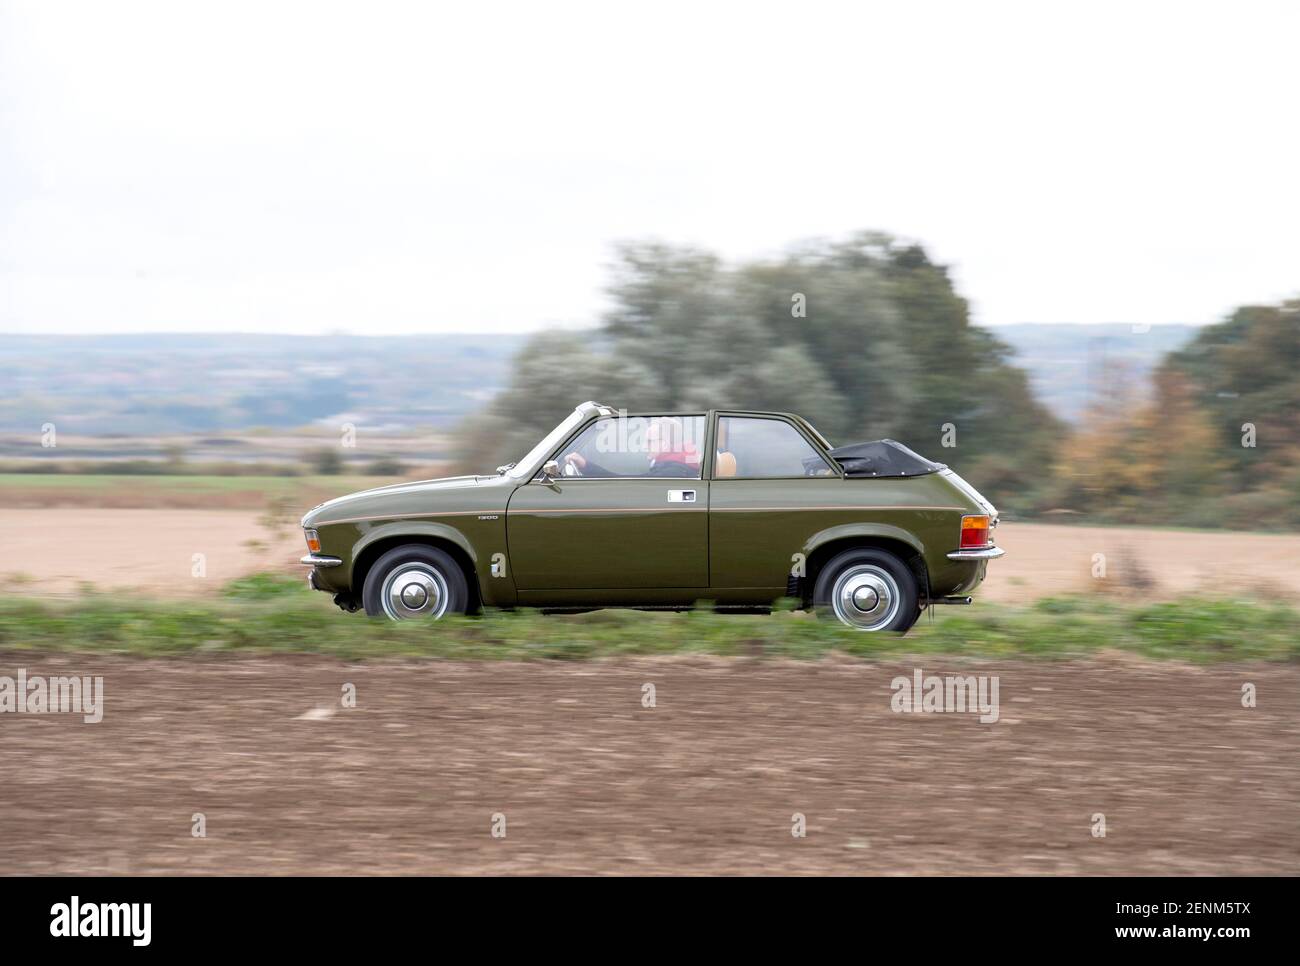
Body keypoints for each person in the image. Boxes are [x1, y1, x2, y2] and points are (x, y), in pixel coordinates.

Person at [562, 416, 700, 478]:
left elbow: (626, 487)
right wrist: (586, 465)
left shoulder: (672, 472)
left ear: (664, 443)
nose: (645, 445)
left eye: (649, 441)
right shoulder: (675, 466)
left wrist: (586, 466)